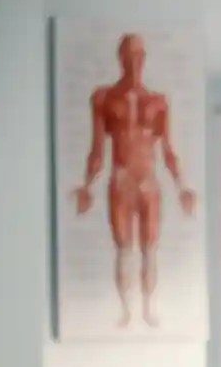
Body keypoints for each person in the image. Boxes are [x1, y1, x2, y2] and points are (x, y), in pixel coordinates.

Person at [74, 33, 197, 328]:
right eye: (129, 56)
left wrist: (181, 187)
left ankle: (148, 307)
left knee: (150, 248)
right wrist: (87, 186)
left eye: (139, 56)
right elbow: (97, 149)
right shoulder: (104, 98)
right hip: (121, 178)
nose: (134, 62)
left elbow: (168, 150)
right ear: (120, 59)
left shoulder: (157, 102)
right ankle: (126, 310)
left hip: (148, 180)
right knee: (124, 248)